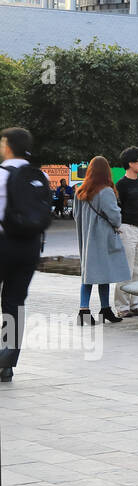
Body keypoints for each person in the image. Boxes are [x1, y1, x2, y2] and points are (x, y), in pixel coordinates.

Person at [0, 128, 52, 382]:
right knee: (14, 303)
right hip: (30, 246)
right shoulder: (39, 175)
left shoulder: (1, 174)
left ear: (8, 145)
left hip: (4, 243)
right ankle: (7, 363)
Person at [73, 156, 130, 325]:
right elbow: (114, 215)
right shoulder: (106, 191)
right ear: (106, 171)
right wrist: (116, 225)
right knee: (104, 272)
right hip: (103, 237)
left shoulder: (80, 190)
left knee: (90, 273)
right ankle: (103, 309)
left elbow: (76, 216)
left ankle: (88, 309)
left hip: (87, 236)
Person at [112, 147, 138, 317]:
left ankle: (135, 303)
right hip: (126, 228)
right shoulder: (121, 184)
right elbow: (116, 207)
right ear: (131, 163)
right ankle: (122, 307)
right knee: (125, 268)